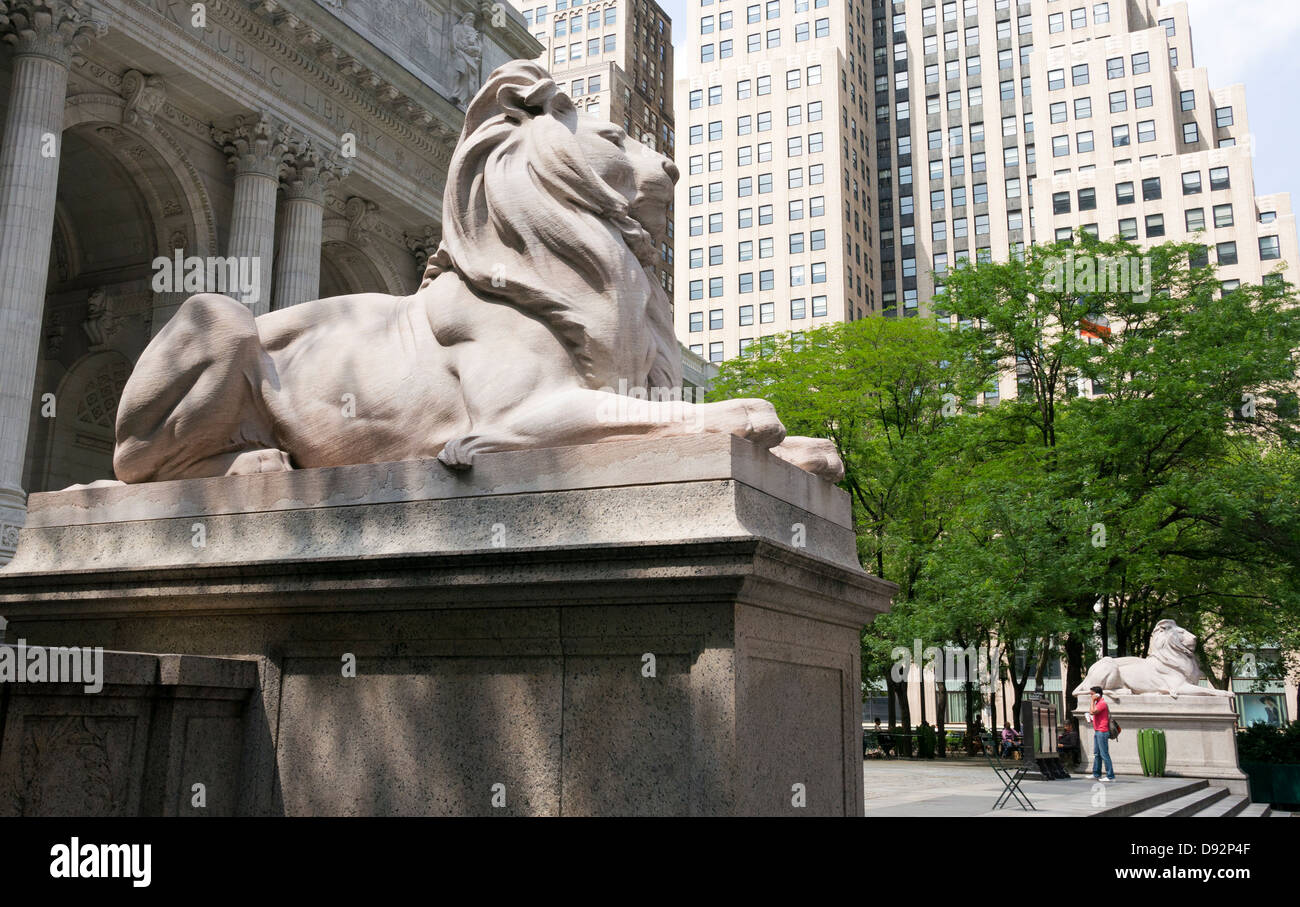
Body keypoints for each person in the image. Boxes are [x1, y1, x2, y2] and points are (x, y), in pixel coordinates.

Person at [1089, 686, 1115, 782]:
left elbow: (1093, 711)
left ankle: (1110, 775)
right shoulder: (1097, 703)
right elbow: (1091, 713)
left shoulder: (1102, 703)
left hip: (1102, 731)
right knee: (1097, 754)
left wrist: (1092, 701)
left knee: (1104, 754)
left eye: (1092, 694)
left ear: (1097, 694)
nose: (1090, 696)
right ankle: (1096, 773)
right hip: (1097, 730)